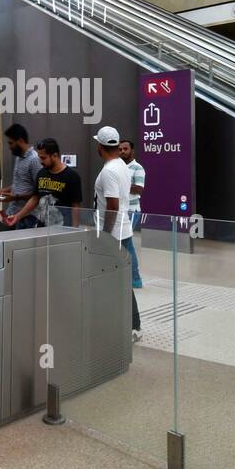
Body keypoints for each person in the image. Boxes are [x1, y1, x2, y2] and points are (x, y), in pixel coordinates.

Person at [92, 126, 140, 340]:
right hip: (123, 230)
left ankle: (129, 327)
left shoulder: (110, 170)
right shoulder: (121, 164)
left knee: (116, 282)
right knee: (119, 281)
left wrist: (105, 236)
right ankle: (128, 325)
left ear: (100, 146)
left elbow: (112, 205)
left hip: (114, 234)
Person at [6, 138, 82, 227]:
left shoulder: (72, 176)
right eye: (39, 158)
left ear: (55, 155)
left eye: (43, 158)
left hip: (62, 227)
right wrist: (17, 216)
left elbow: (75, 206)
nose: (41, 161)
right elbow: (35, 198)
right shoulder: (41, 173)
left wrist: (75, 230)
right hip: (43, 227)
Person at [0, 124, 40, 229]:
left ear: (20, 141)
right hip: (12, 212)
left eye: (11, 143)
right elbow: (19, 183)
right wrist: (1, 191)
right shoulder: (19, 158)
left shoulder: (34, 160)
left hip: (27, 218)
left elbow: (38, 193)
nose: (9, 147)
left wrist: (14, 197)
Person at [118, 138, 145, 289]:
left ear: (132, 151)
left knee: (127, 244)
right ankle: (127, 276)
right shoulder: (118, 167)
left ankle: (135, 279)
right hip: (120, 210)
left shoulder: (138, 168)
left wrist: (121, 181)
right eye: (120, 149)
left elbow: (139, 189)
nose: (122, 152)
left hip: (131, 211)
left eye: (125, 149)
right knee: (124, 244)